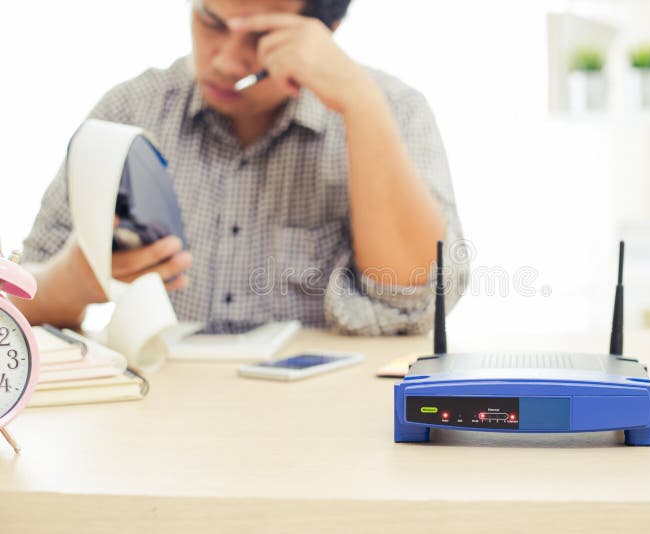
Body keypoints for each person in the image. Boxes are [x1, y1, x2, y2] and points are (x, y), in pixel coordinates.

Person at [14, 0, 468, 336]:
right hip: (163, 430)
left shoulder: (394, 109)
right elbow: (16, 301)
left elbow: (419, 299)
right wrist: (73, 280)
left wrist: (361, 103)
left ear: (326, 31)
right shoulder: (130, 110)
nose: (227, 61)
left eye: (259, 37)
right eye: (211, 22)